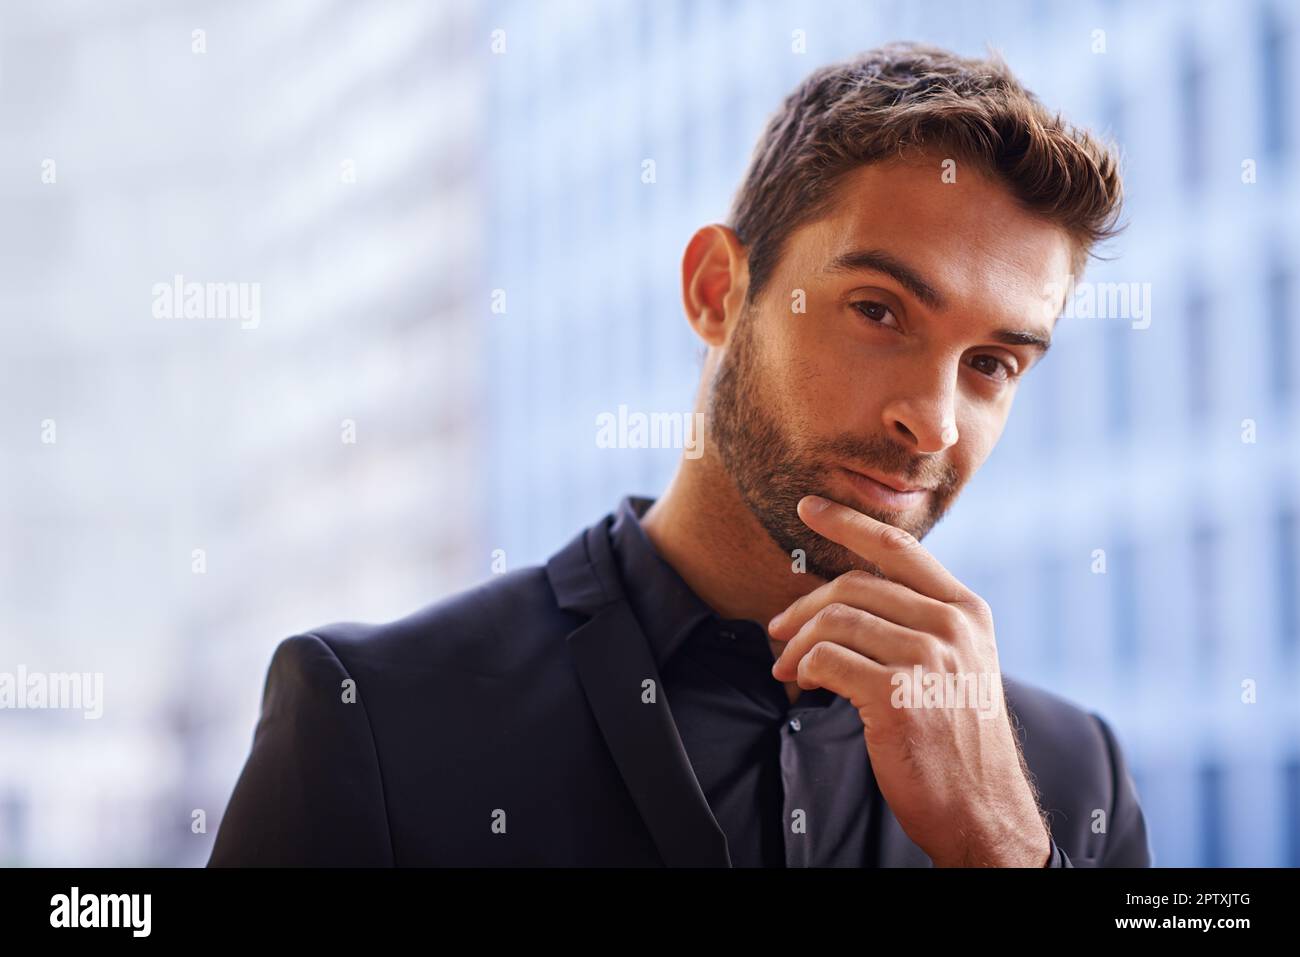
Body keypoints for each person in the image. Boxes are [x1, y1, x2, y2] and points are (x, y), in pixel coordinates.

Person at [209, 42, 1151, 867]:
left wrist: (1001, 851)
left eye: (991, 363)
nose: (934, 422)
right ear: (717, 290)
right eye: (878, 311)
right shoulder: (370, 716)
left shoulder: (1070, 779)